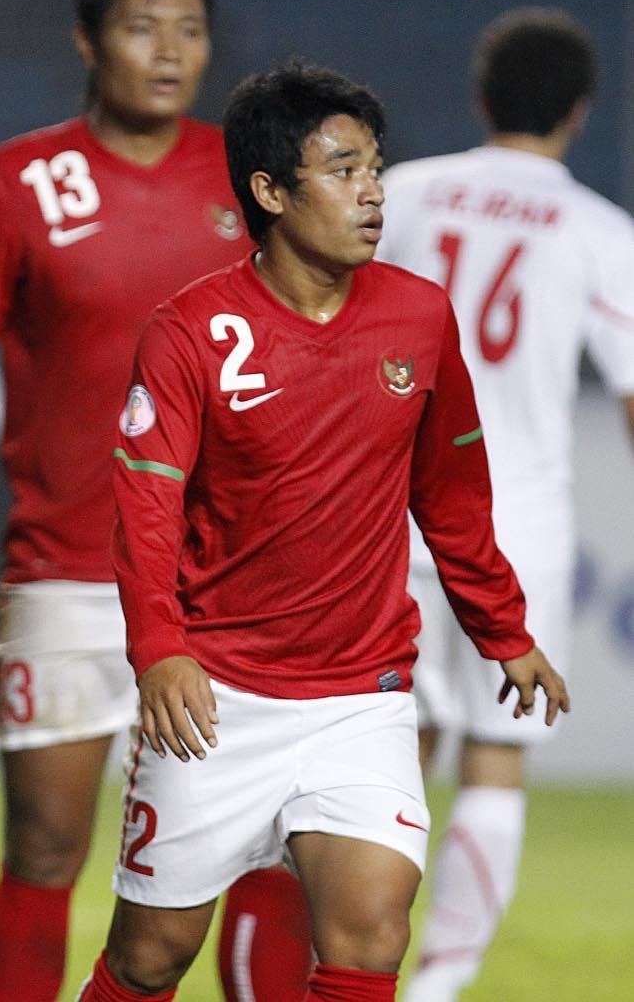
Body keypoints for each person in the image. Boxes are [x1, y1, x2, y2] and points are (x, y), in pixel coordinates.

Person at [74, 60, 570, 1002]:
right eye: (343, 171)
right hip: (216, 698)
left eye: (375, 168)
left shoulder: (419, 316)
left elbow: (452, 496)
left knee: (371, 938)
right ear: (270, 191)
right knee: (151, 957)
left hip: (362, 697)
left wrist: (504, 631)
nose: (373, 192)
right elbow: (147, 505)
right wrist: (160, 650)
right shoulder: (191, 330)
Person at [0, 0, 303, 1000]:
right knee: (45, 847)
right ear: (88, 41)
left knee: (267, 847)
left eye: (190, 30)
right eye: (142, 28)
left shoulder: (252, 180)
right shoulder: (17, 181)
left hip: (229, 578)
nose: (169, 52)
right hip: (70, 566)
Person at [371, 8, 634, 1002]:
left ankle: (351, 963)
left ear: (481, 97)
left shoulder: (403, 193)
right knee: (497, 753)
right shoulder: (600, 232)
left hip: (386, 517)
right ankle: (437, 987)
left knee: (383, 749)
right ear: (581, 111)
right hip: (514, 529)